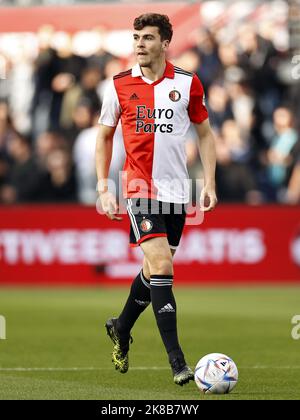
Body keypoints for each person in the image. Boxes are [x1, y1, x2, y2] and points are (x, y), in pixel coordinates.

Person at [95, 13, 217, 386]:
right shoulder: (118, 85)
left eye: (148, 38)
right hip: (139, 190)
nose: (139, 44)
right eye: (136, 37)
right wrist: (103, 185)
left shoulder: (187, 83)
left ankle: (121, 326)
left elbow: (206, 134)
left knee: (152, 274)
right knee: (163, 266)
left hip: (178, 194)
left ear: (165, 43)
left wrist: (209, 182)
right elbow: (103, 138)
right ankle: (178, 362)